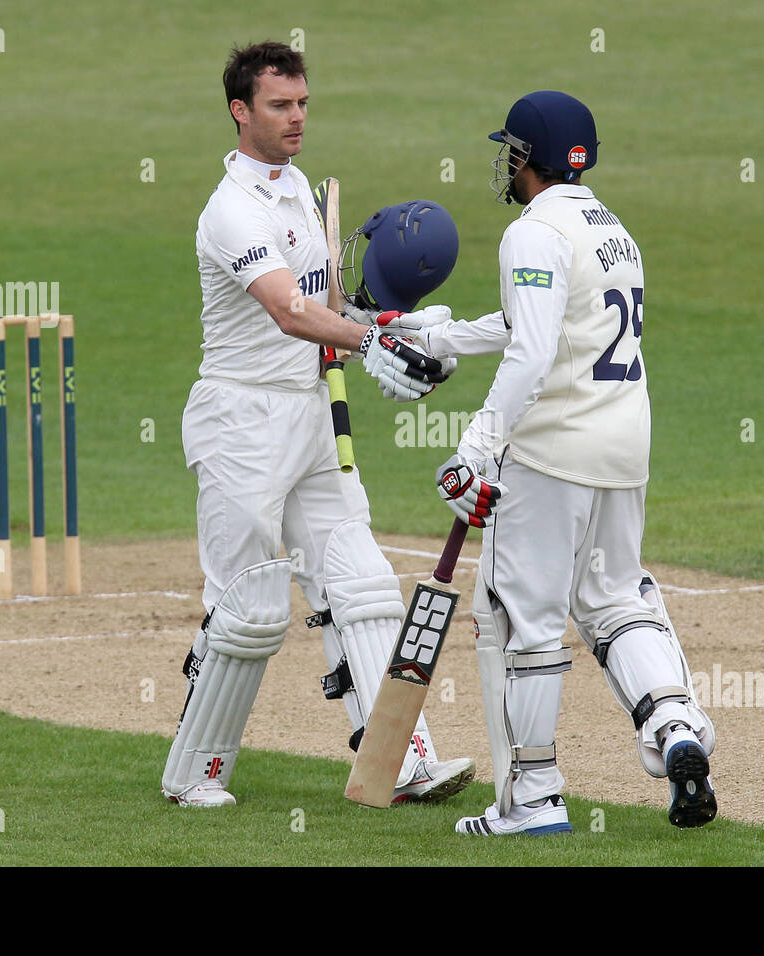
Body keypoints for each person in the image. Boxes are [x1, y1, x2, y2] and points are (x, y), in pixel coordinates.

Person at [161, 40, 474, 807]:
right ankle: (194, 773)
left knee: (362, 580)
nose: (296, 117)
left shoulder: (301, 189)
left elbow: (328, 304)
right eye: (279, 105)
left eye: (302, 103)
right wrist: (373, 343)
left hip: (305, 415)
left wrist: (394, 325)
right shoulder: (231, 209)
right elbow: (289, 310)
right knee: (248, 605)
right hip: (240, 421)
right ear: (241, 111)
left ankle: (398, 759)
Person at [416, 90, 718, 835]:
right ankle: (675, 728)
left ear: (529, 159)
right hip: (625, 446)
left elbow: (534, 348)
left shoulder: (532, 232)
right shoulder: (609, 226)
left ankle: (533, 799)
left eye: (510, 151)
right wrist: (443, 336)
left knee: (523, 616)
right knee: (615, 598)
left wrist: (475, 444)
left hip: (553, 454)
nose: (505, 164)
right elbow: (548, 323)